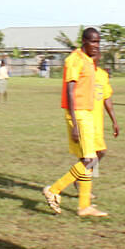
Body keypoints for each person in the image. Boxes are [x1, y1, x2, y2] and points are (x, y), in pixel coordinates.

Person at [43, 28, 109, 218]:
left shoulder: (88, 60)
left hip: (86, 113)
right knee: (90, 160)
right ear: (84, 41)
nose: (96, 46)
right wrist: (73, 122)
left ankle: (84, 206)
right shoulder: (75, 59)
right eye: (93, 42)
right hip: (78, 114)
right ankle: (54, 190)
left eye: (98, 42)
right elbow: (70, 91)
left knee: (88, 158)